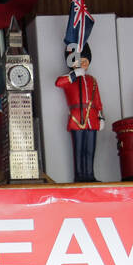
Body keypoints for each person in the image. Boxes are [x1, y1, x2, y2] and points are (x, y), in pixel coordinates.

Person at [54, 43, 103, 181]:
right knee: (79, 149)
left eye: (85, 61)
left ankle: (90, 175)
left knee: (90, 149)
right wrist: (74, 74)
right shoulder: (70, 79)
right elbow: (58, 82)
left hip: (92, 117)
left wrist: (101, 116)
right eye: (79, 60)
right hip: (77, 117)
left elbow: (97, 100)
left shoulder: (91, 80)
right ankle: (79, 176)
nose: (83, 63)